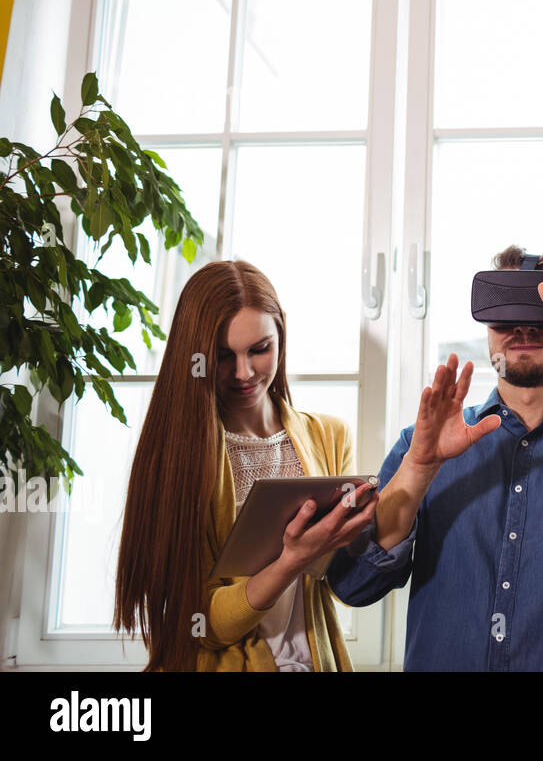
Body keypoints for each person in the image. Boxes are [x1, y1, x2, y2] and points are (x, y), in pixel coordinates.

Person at [327, 235, 543, 670]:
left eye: (542, 316)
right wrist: (419, 468)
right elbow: (354, 585)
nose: (523, 330)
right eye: (505, 315)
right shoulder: (426, 443)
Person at [114, 261, 375, 671]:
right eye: (223, 356)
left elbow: (344, 580)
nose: (244, 373)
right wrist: (289, 561)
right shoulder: (179, 457)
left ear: (281, 334)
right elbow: (200, 625)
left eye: (259, 349)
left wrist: (418, 466)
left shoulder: (329, 436)